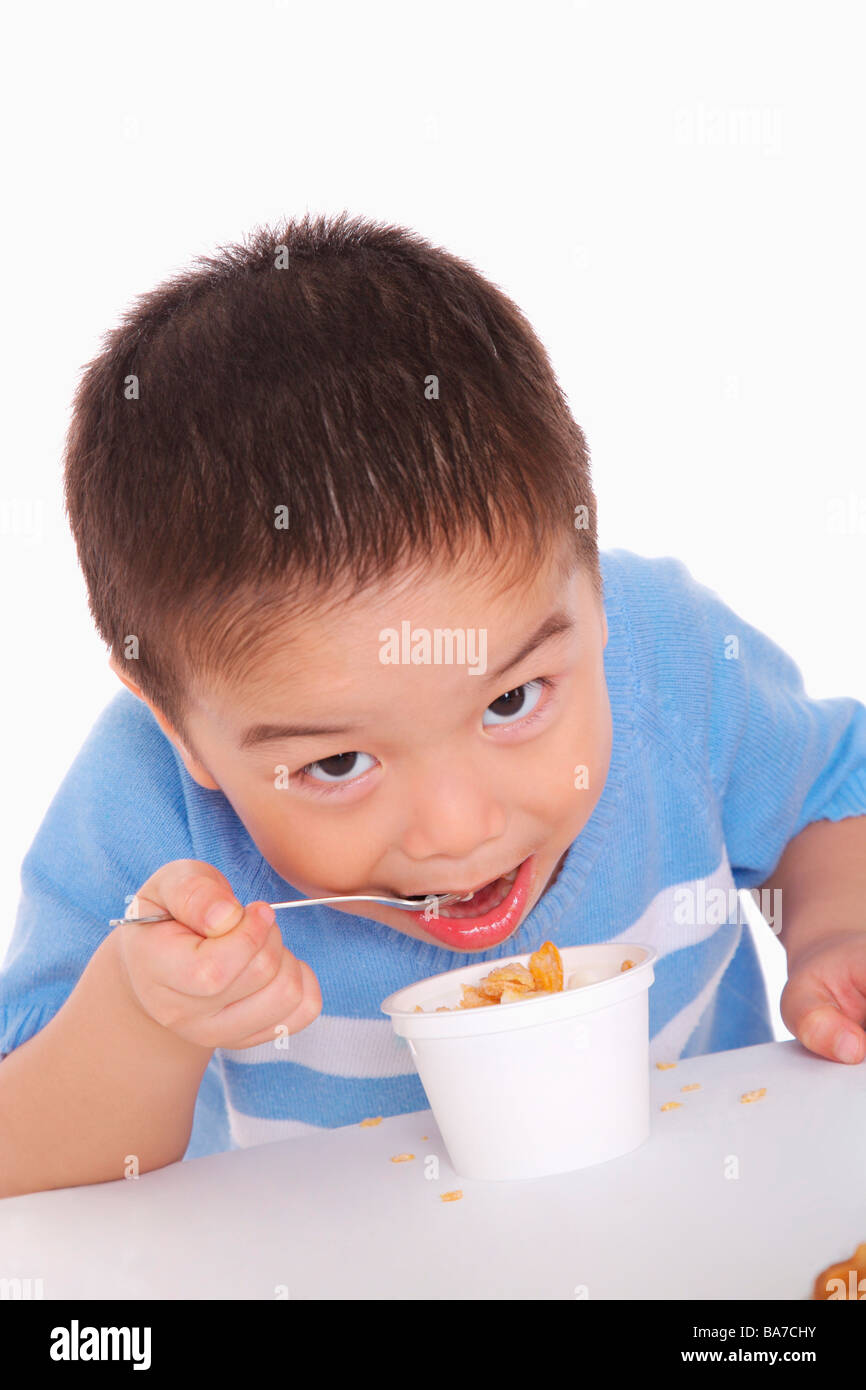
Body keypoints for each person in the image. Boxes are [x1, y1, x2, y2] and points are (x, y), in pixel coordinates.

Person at [1, 212, 864, 1197]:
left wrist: (836, 930)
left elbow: (827, 797)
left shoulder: (668, 661)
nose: (461, 830)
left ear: (590, 594)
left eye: (511, 700)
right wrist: (144, 1018)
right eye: (337, 765)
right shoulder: (146, 821)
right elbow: (20, 1160)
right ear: (175, 724)